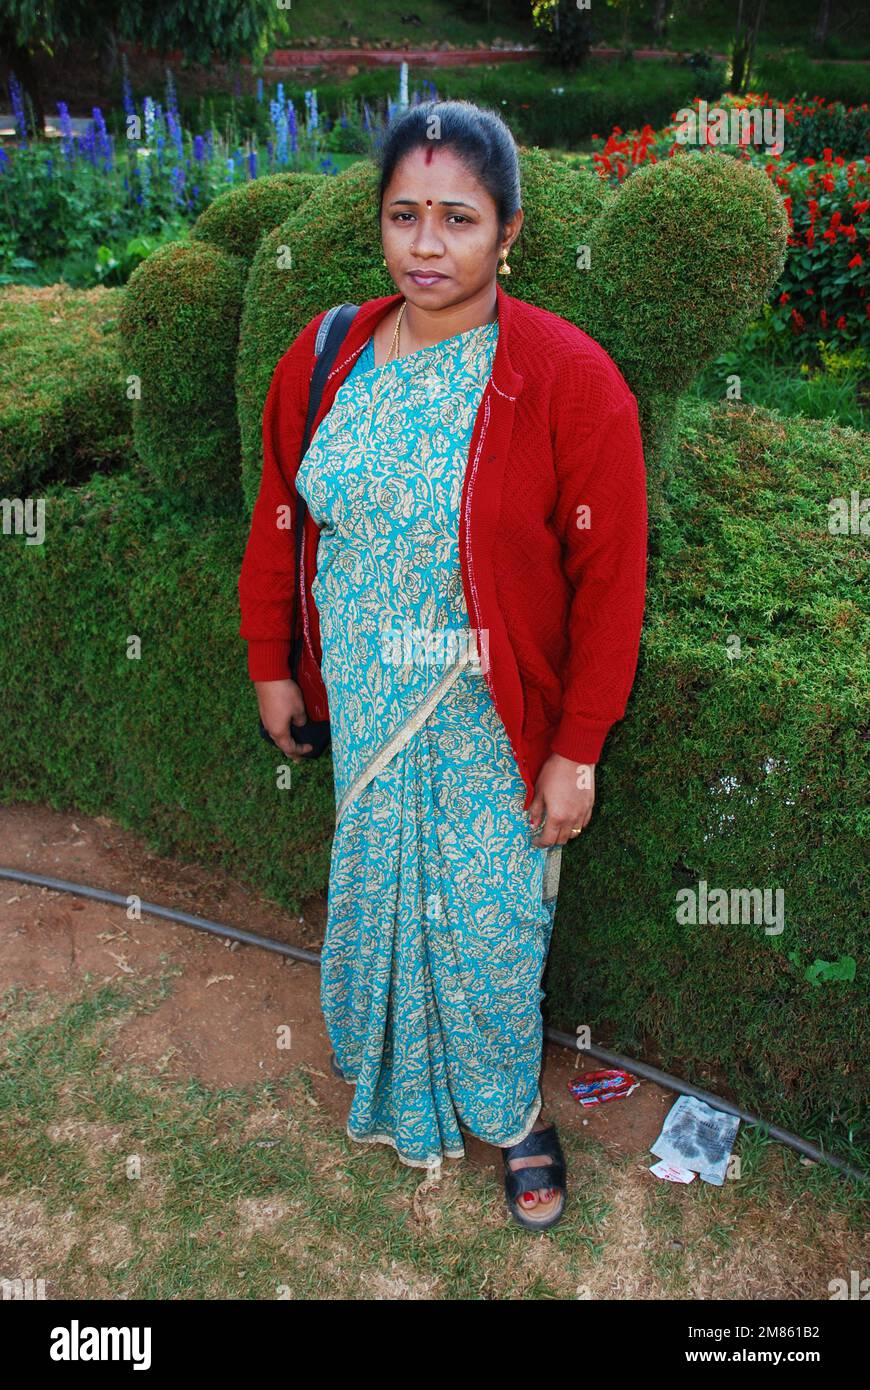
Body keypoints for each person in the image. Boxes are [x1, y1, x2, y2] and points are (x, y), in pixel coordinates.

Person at [238, 99, 648, 1231]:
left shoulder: (568, 379)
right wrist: (273, 659)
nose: (427, 244)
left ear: (509, 232)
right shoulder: (326, 356)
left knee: (492, 919)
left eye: (458, 219)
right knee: (378, 886)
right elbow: (280, 513)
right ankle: (393, 1081)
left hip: (490, 707)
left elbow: (613, 582)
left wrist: (578, 750)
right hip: (366, 698)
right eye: (405, 215)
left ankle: (512, 1111)